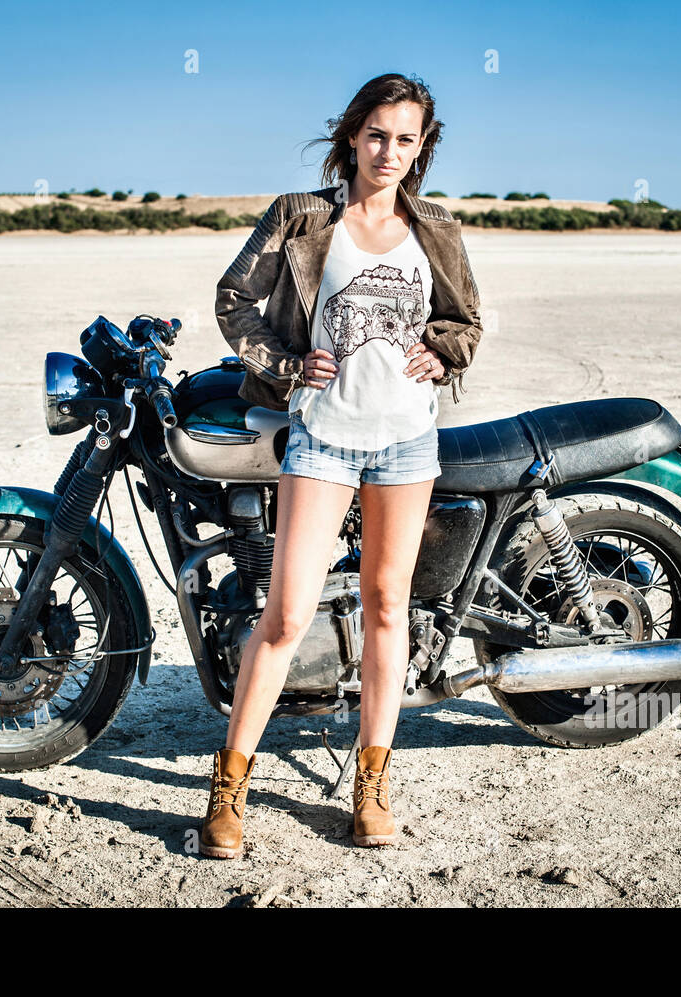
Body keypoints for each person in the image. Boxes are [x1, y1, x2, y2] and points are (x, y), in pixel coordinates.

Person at [203, 73, 484, 857]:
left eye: (407, 138)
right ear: (352, 136)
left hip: (407, 441)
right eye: (377, 135)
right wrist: (288, 365)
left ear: (422, 145)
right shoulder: (303, 217)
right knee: (288, 613)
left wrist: (443, 350)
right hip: (323, 436)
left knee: (389, 608)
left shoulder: (436, 228)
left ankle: (372, 785)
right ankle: (229, 786)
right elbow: (235, 300)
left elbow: (467, 319)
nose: (389, 151)